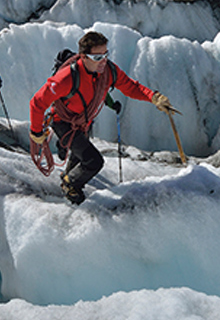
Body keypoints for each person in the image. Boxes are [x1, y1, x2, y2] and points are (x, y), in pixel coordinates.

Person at [29, 31, 173, 205]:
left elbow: (130, 87)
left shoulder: (109, 71)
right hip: (64, 122)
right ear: (83, 57)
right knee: (93, 161)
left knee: (79, 155)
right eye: (97, 57)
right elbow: (38, 102)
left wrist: (154, 97)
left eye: (105, 54)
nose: (103, 60)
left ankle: (68, 180)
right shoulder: (67, 77)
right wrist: (36, 131)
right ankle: (71, 184)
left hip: (83, 122)